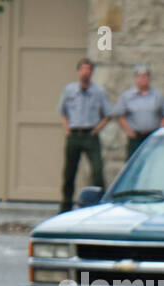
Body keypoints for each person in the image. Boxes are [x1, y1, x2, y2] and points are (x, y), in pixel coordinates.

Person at [58, 58, 110, 213]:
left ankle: (99, 205)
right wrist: (66, 128)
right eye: (83, 69)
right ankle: (65, 205)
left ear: (92, 72)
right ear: (78, 71)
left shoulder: (99, 91)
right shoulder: (70, 90)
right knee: (69, 172)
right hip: (74, 134)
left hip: (90, 135)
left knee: (97, 170)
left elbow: (108, 114)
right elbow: (63, 111)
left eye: (88, 69)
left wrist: (96, 129)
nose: (85, 72)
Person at [112, 66, 164, 158]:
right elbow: (119, 115)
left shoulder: (158, 95)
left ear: (149, 78)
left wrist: (160, 131)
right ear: (136, 79)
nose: (142, 78)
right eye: (139, 76)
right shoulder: (127, 95)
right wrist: (128, 130)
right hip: (135, 137)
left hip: (153, 136)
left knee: (153, 161)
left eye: (145, 76)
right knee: (134, 163)